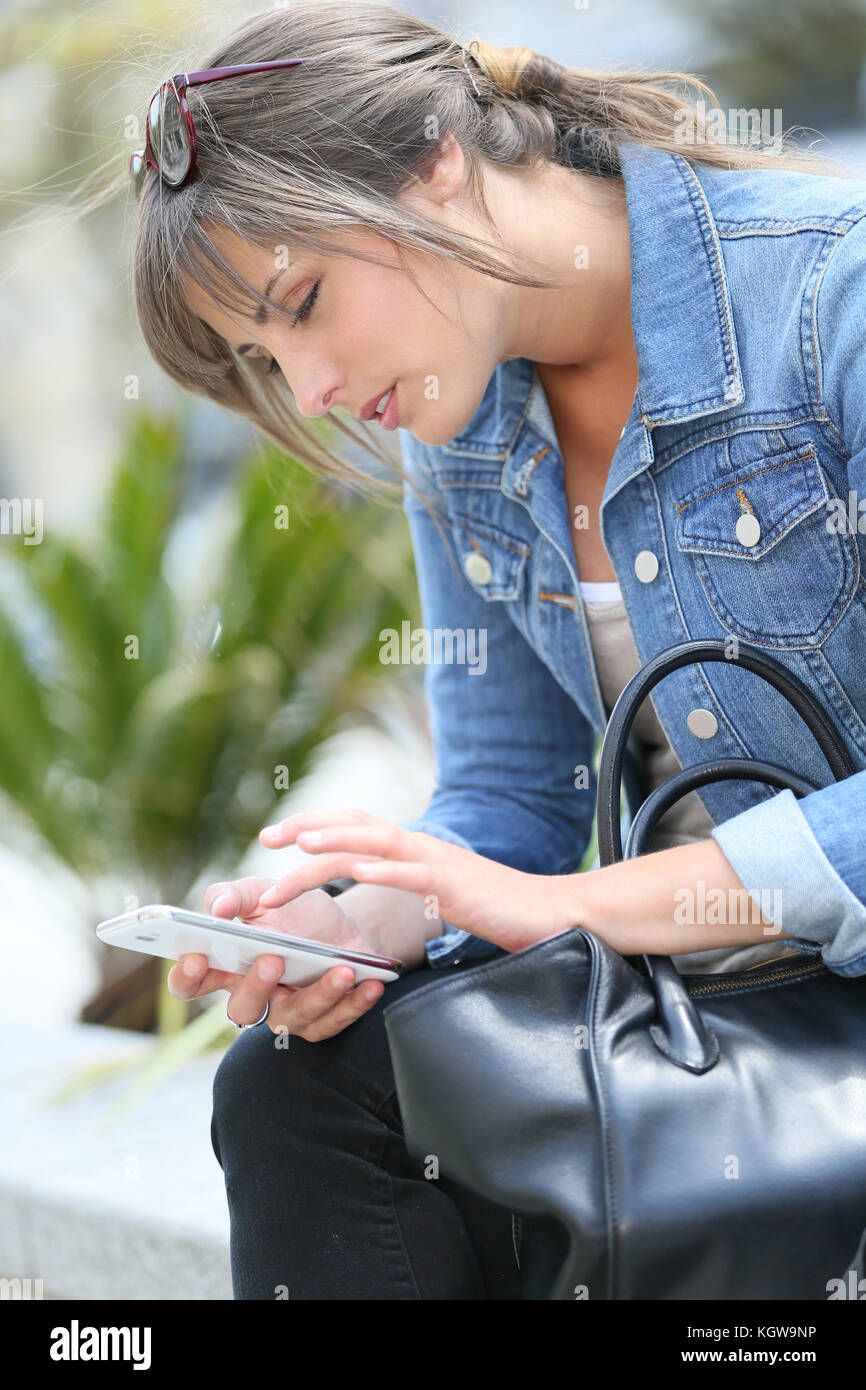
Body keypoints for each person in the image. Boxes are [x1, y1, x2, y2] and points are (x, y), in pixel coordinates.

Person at [126, 1, 866, 1298]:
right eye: (263, 354)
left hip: (807, 988)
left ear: (437, 163)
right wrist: (365, 921)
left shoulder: (827, 295)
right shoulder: (456, 431)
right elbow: (510, 806)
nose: (307, 390)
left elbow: (552, 891)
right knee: (304, 1084)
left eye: (303, 304)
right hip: (722, 1004)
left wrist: (583, 907)